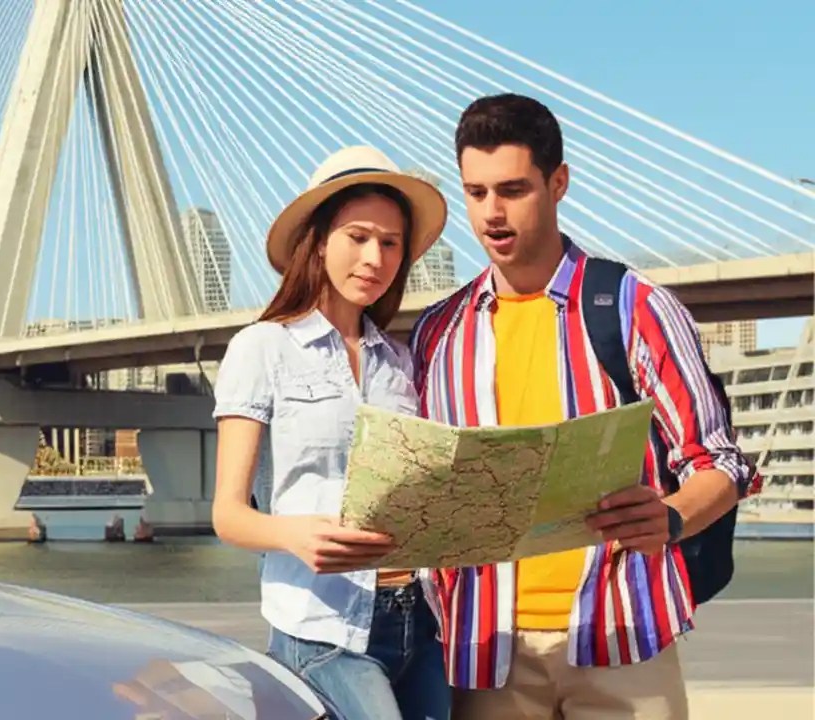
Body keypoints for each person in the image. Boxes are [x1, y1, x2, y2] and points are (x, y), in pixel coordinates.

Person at [409, 93, 762, 719]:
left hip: (621, 638)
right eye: (476, 192)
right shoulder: (439, 332)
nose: (491, 212)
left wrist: (672, 517)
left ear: (559, 182)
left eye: (513, 189)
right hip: (485, 650)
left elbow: (723, 463)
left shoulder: (635, 308)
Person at [211, 145, 451, 720]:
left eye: (390, 243)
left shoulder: (400, 361)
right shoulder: (262, 348)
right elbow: (227, 515)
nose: (375, 257)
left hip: (416, 621)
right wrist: (295, 535)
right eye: (358, 237)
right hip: (320, 629)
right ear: (319, 241)